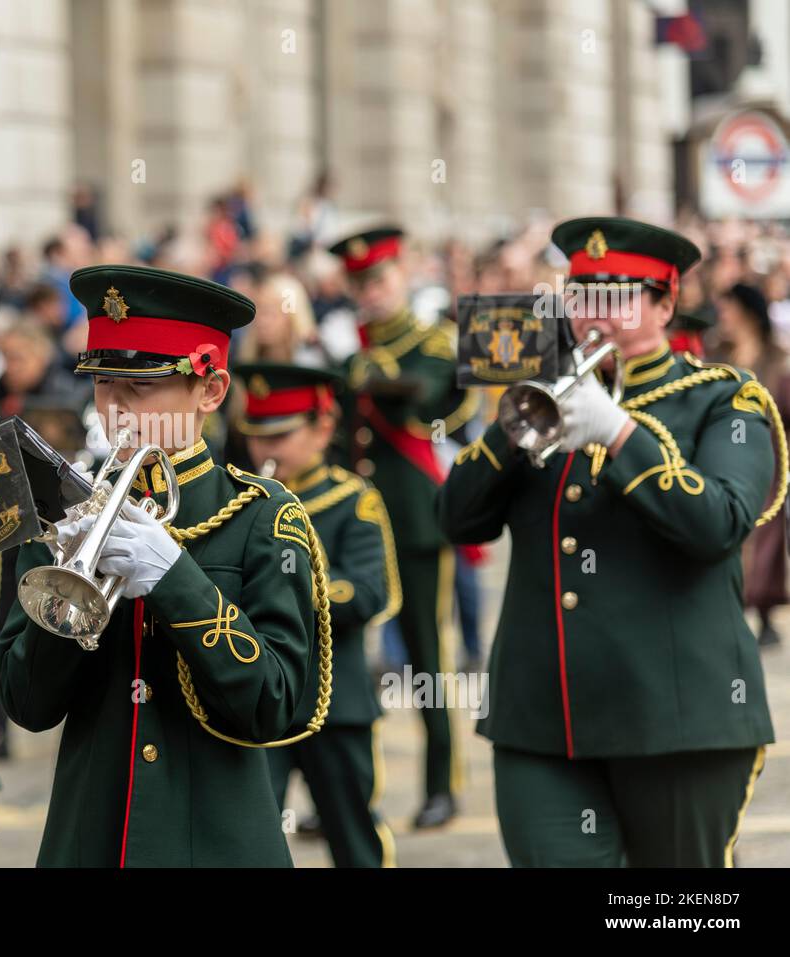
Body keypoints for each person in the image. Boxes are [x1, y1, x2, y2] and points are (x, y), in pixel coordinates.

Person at [440, 217, 782, 866]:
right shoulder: (543, 391)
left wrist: (620, 433)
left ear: (664, 302)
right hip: (543, 719)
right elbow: (457, 520)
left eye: (617, 297)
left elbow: (718, 523)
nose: (594, 315)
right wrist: (509, 430)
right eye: (580, 295)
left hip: (678, 720)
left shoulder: (722, 400)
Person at [0, 265, 324, 867]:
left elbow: (276, 704)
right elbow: (26, 705)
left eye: (139, 385)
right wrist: (65, 575)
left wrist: (176, 579)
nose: (114, 406)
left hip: (217, 845)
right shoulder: (61, 510)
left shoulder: (263, 518)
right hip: (91, 839)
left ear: (211, 390)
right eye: (101, 382)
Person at [332, 225, 477, 829]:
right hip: (355, 525)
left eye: (381, 278)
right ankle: (343, 793)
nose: (372, 292)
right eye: (361, 283)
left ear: (405, 273)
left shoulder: (435, 343)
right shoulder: (351, 357)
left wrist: (376, 375)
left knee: (426, 663)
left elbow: (428, 401)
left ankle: (442, 784)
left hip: (417, 522)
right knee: (342, 663)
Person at [237, 361, 400, 868]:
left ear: (323, 427)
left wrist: (287, 588)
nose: (267, 450)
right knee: (248, 839)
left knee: (354, 838)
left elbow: (372, 594)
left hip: (336, 702)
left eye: (282, 435)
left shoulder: (353, 500)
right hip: (259, 696)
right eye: (257, 436)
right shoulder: (239, 501)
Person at [714, 281, 790, 647]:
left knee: (766, 535)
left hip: (769, 459)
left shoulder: (778, 359)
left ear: (747, 312)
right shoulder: (717, 355)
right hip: (722, 455)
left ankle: (762, 609)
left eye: (729, 308)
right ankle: (731, 607)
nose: (722, 316)